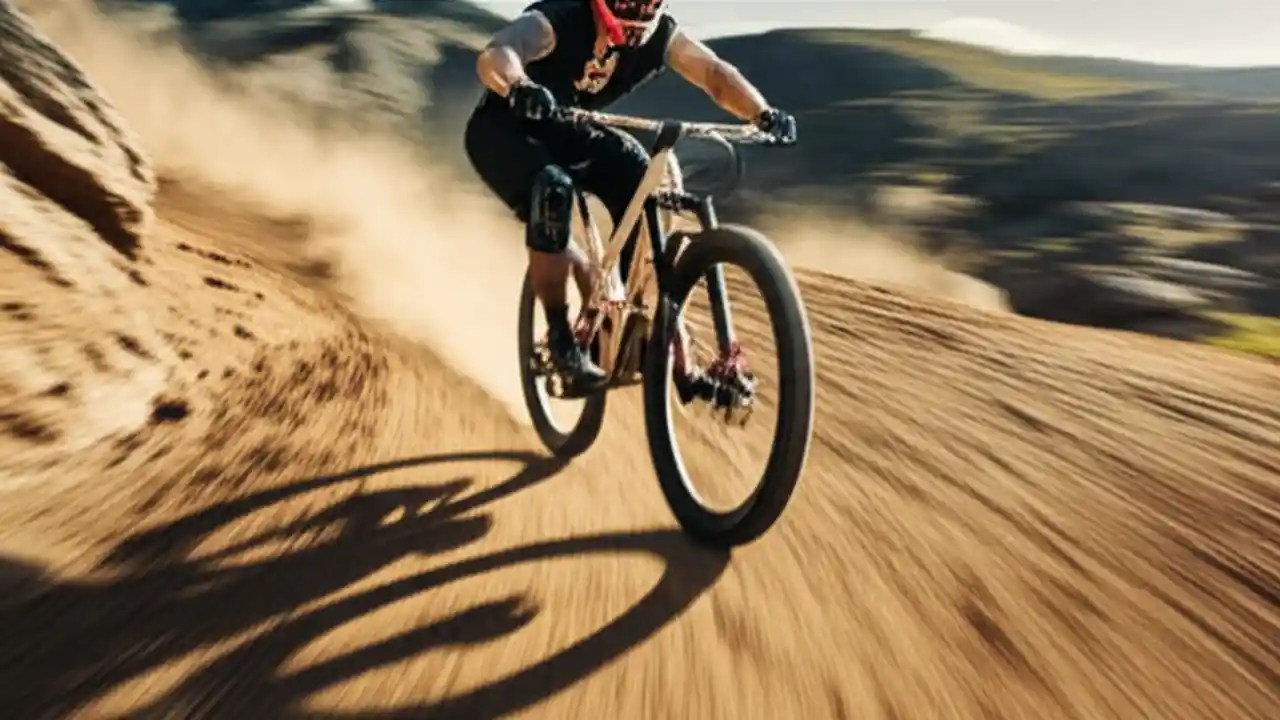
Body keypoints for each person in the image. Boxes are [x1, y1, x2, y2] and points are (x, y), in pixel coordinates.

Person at [464, 0, 797, 398]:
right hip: (504, 132)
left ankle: (651, 335)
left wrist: (761, 113)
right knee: (552, 192)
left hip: (571, 129)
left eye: (648, 2)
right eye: (628, 2)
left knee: (650, 186)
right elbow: (497, 53)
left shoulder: (660, 36)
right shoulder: (560, 17)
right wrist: (518, 86)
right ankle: (560, 340)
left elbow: (714, 74)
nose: (638, 11)